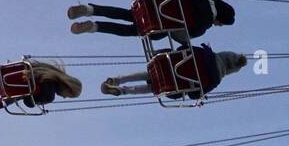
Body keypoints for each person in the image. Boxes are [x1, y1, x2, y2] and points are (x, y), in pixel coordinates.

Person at [68, 0, 236, 41]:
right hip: (158, 26)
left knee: (129, 14)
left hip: (152, 5)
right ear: (220, 18)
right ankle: (94, 27)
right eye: (221, 23)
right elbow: (180, 36)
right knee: (131, 31)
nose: (218, 25)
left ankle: (89, 9)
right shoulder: (203, 26)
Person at [100, 45, 247, 99]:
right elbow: (195, 94)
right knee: (156, 88)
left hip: (169, 65)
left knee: (153, 72)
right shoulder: (214, 81)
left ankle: (118, 79)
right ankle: (123, 92)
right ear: (230, 71)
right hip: (174, 85)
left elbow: (183, 50)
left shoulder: (204, 52)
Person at [0, 61, 82, 114]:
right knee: (11, 98)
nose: (64, 97)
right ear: (67, 88)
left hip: (10, 77)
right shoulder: (49, 95)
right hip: (19, 90)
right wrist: (33, 104)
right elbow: (29, 102)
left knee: (3, 87)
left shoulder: (47, 72)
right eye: (67, 96)